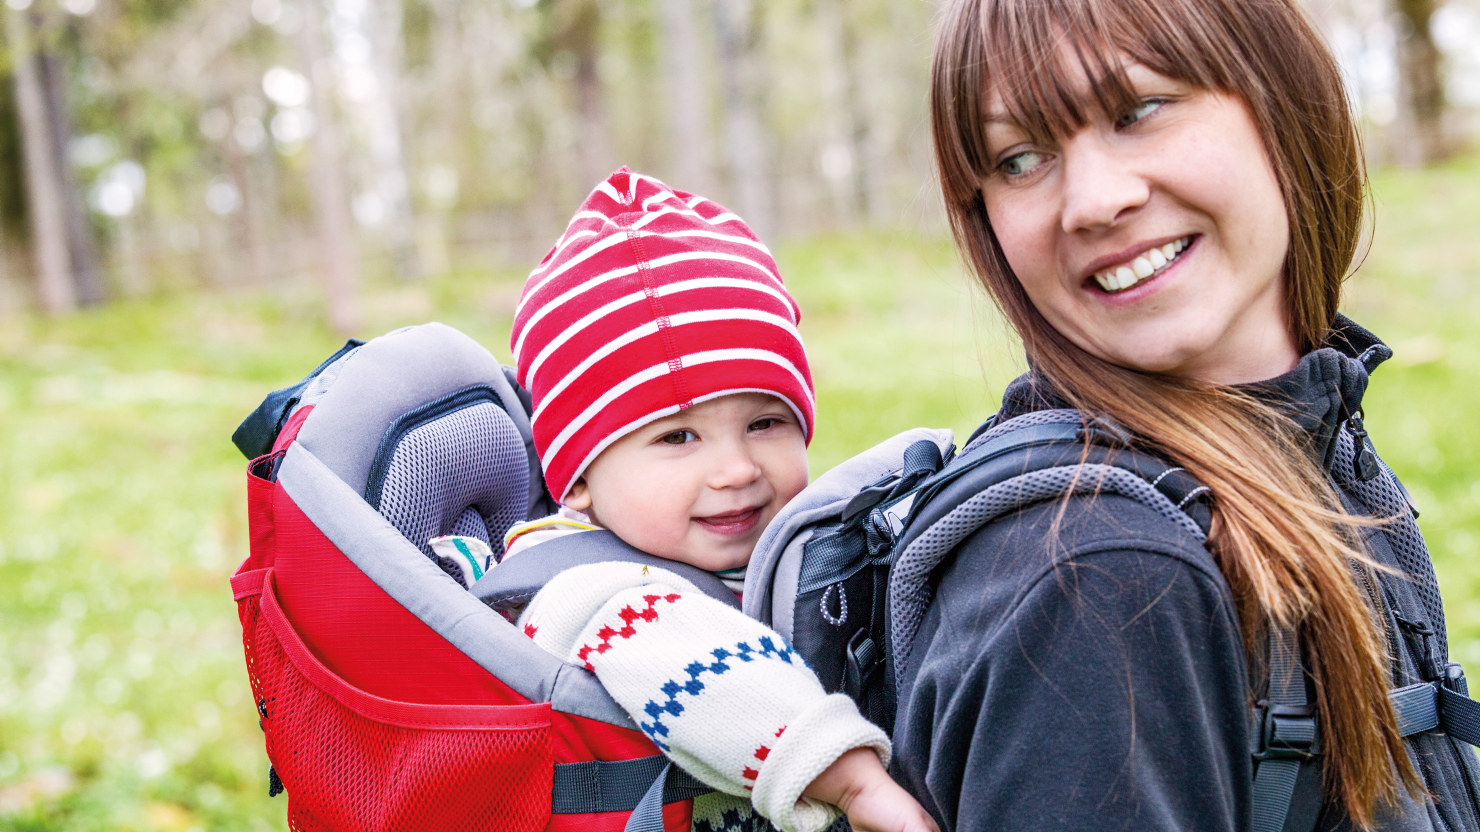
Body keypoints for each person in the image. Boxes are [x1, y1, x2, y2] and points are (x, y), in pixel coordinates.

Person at [896, 0, 1480, 829]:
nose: (1094, 202)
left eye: (1138, 111)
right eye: (1020, 158)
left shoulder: (1306, 433)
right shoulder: (1100, 576)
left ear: (1280, 96)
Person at [500, 167, 938, 832]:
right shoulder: (587, 595)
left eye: (764, 423)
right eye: (678, 437)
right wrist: (854, 784)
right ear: (578, 477)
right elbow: (704, 667)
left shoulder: (737, 554)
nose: (736, 469)